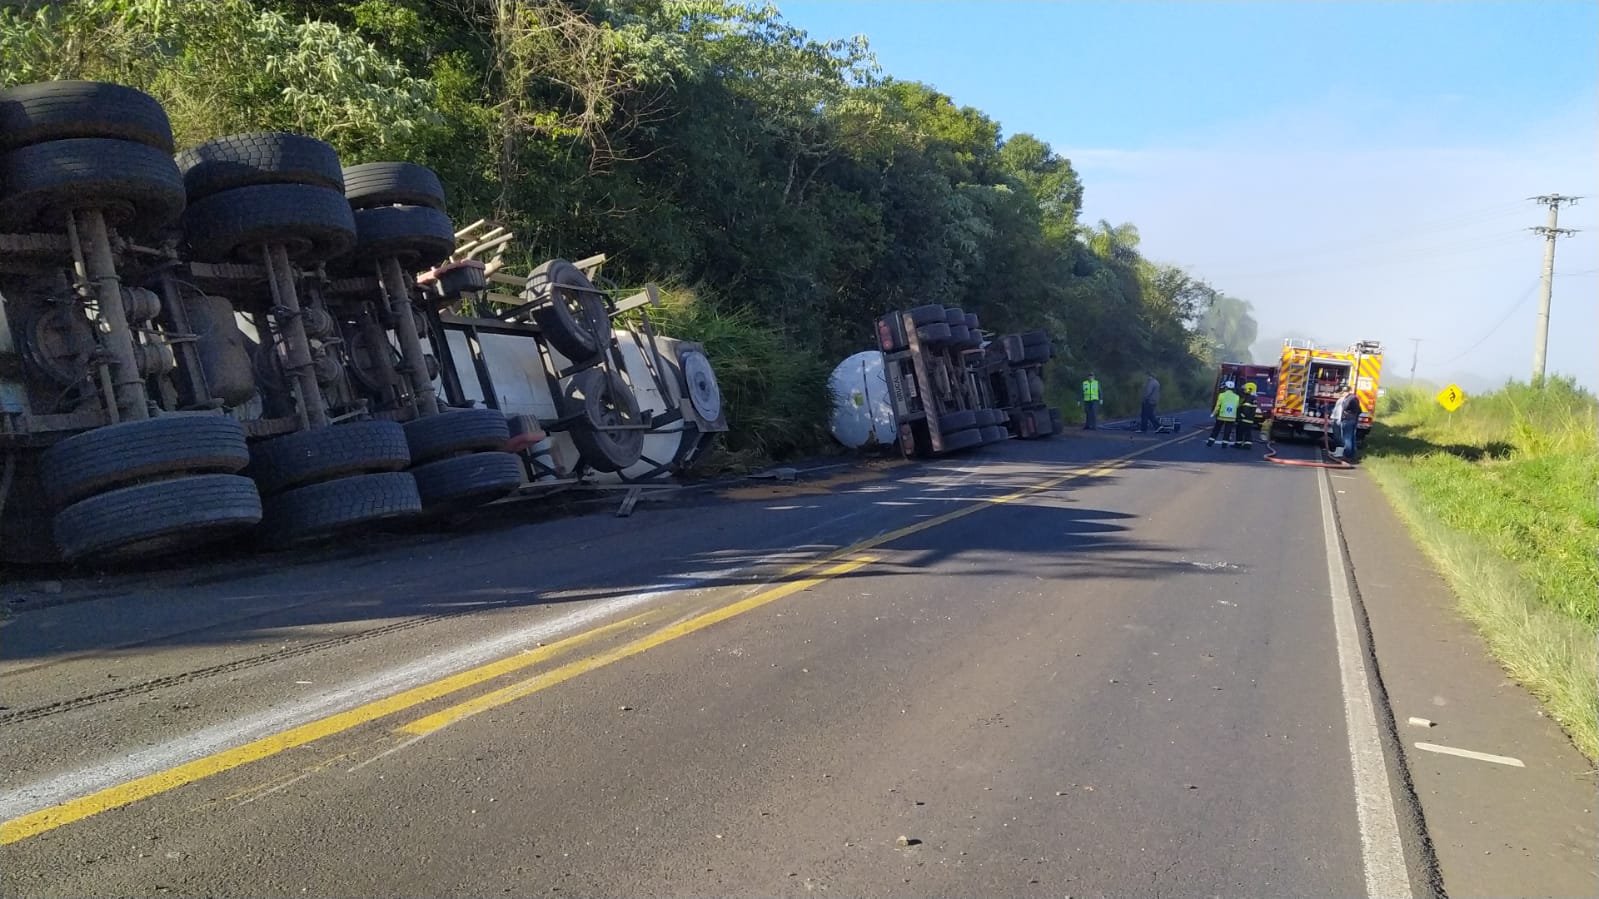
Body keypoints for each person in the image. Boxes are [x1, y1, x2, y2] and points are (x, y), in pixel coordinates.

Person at [1330, 388, 1362, 462]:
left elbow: (1345, 407)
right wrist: (1354, 415)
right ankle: (1352, 455)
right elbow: (1359, 410)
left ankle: (1347, 456)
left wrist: (1347, 414)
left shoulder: (1349, 399)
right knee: (1352, 438)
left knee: (1347, 439)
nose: (1343, 394)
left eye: (1344, 392)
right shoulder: (1354, 398)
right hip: (1353, 420)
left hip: (1347, 420)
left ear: (1348, 391)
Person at [1208, 380, 1240, 446]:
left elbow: (1218, 406)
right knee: (1228, 431)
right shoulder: (1237, 397)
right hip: (1231, 417)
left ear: (1226, 387)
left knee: (1216, 429)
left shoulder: (1221, 395)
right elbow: (1236, 406)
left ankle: (1210, 442)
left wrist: (1214, 413)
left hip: (1221, 416)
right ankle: (1224, 444)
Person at [1234, 382, 1258, 449]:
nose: (1243, 390)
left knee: (1239, 431)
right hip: (1250, 420)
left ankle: (1238, 444)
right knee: (1248, 432)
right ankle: (1247, 445)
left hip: (1244, 419)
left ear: (1249, 389)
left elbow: (1246, 409)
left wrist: (1240, 417)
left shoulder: (1249, 398)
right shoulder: (1254, 398)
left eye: (1245, 389)